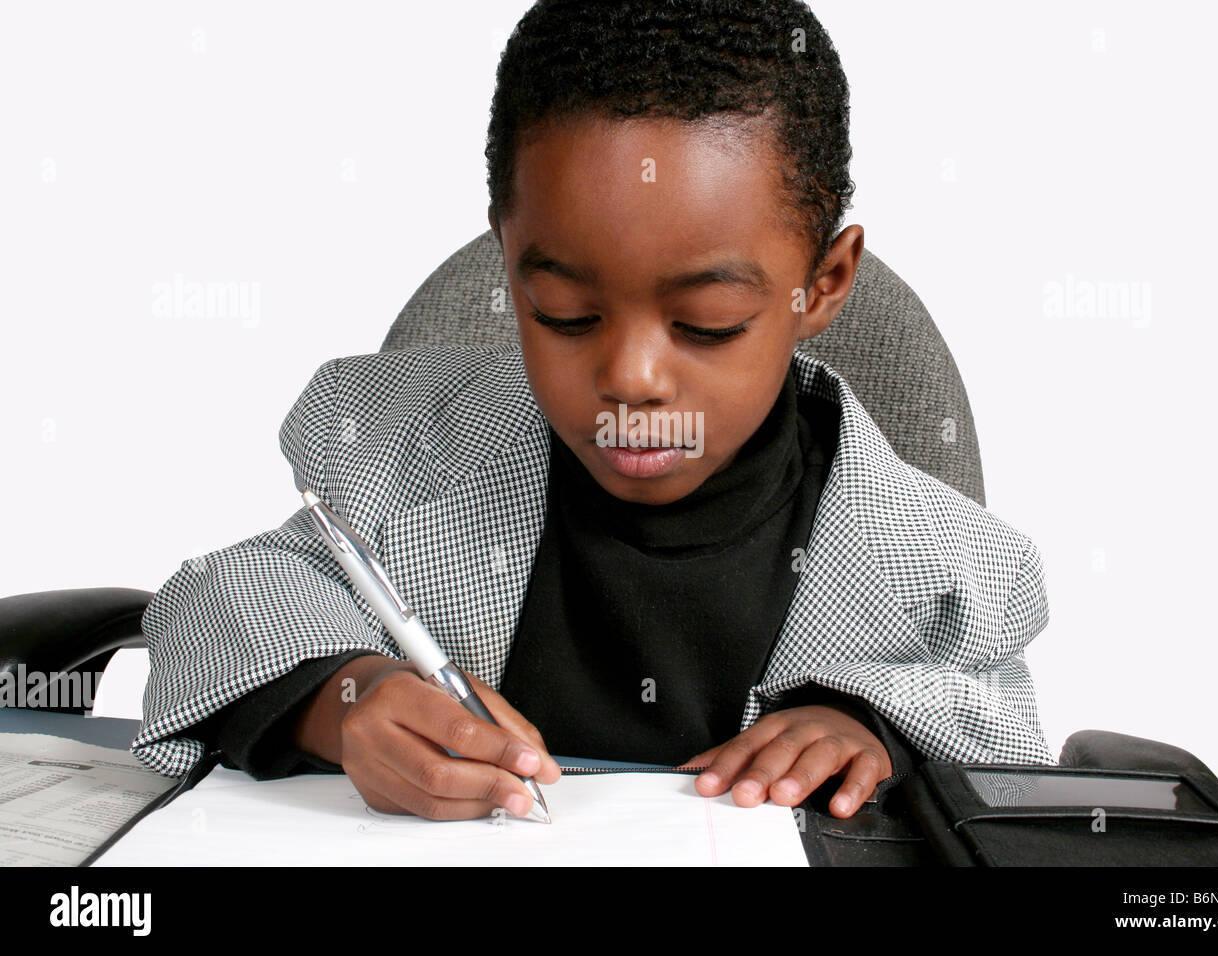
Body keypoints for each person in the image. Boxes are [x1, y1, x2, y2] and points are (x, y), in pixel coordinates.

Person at [132, 0, 1054, 824]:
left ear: (824, 283)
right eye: (566, 317)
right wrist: (344, 696)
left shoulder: (946, 565)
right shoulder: (403, 458)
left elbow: (1007, 724)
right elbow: (216, 601)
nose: (632, 378)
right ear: (511, 263)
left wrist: (870, 725)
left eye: (707, 324)